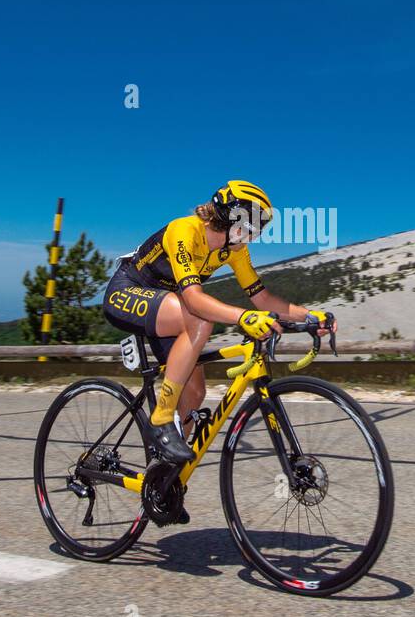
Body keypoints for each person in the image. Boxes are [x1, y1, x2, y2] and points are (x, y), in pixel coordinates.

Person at [102, 180, 334, 464]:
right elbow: (195, 300)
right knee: (199, 320)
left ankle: (163, 478)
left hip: (168, 304)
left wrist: (309, 316)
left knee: (196, 392)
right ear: (232, 219)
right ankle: (161, 417)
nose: (255, 235)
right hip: (126, 291)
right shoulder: (184, 230)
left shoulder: (234, 250)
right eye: (252, 226)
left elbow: (262, 299)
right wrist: (243, 317)